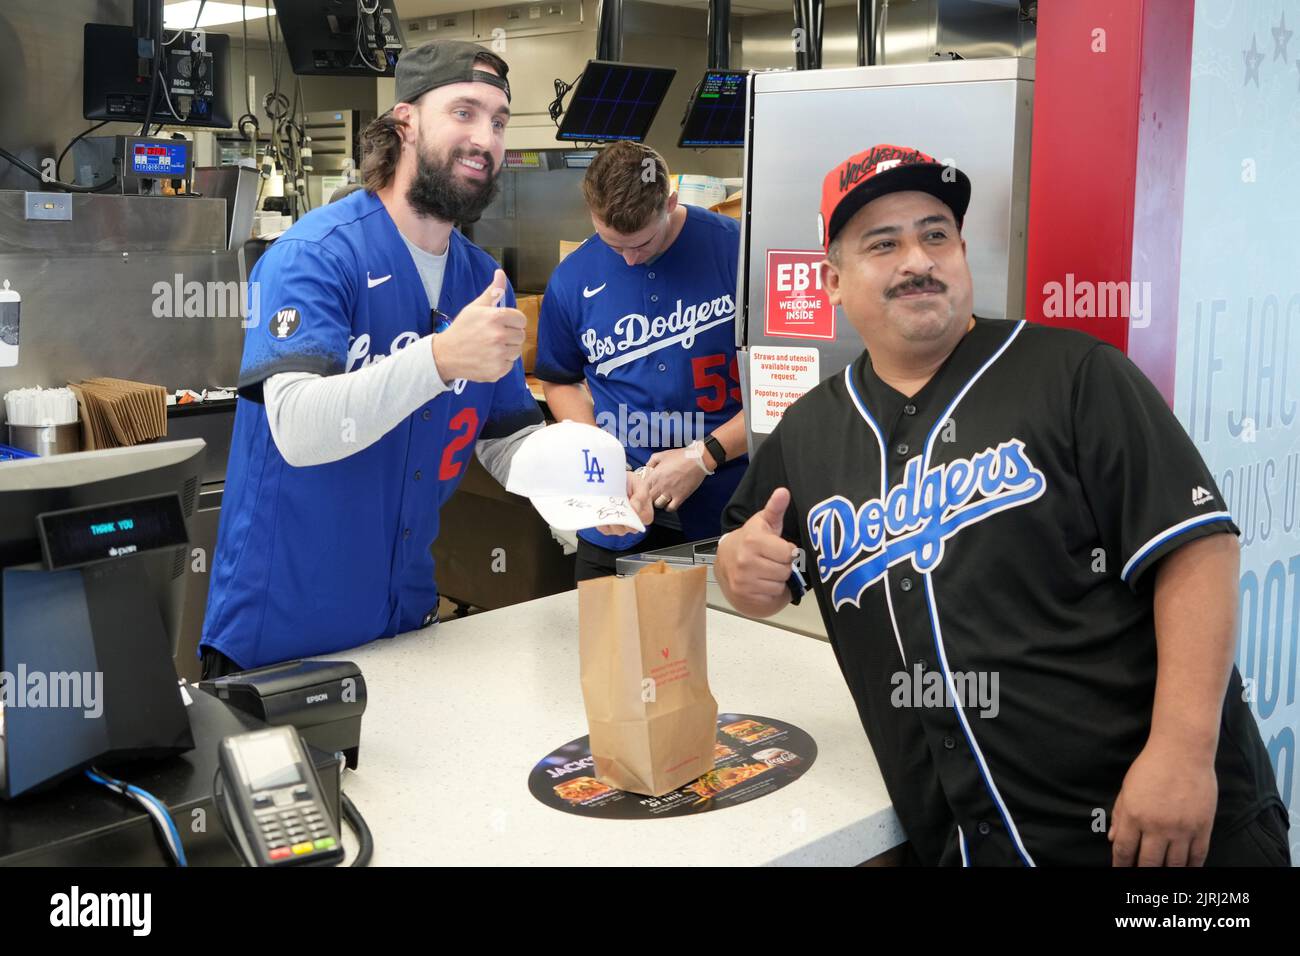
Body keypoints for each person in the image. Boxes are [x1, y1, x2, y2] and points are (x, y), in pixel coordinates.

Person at [715, 144, 1289, 866]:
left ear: (961, 253)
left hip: (1156, 831)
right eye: (882, 244)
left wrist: (1180, 754)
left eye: (935, 235)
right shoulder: (809, 432)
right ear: (831, 282)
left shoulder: (1076, 374)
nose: (916, 260)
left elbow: (1198, 550)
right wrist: (741, 568)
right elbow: (751, 560)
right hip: (971, 840)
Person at [201, 40, 610, 676]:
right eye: (465, 113)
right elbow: (299, 429)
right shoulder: (316, 256)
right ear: (406, 122)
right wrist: (441, 359)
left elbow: (505, 440)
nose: (486, 139)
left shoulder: (479, 278)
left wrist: (596, 483)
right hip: (279, 640)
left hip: (406, 625)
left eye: (499, 122)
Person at [535, 142, 748, 580]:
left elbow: (788, 386)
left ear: (671, 202)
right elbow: (560, 379)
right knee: (608, 643)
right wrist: (600, 461)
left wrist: (703, 457)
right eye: (615, 246)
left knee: (727, 645)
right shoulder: (574, 277)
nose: (630, 258)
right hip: (617, 514)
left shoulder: (739, 252)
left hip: (727, 504)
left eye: (643, 243)